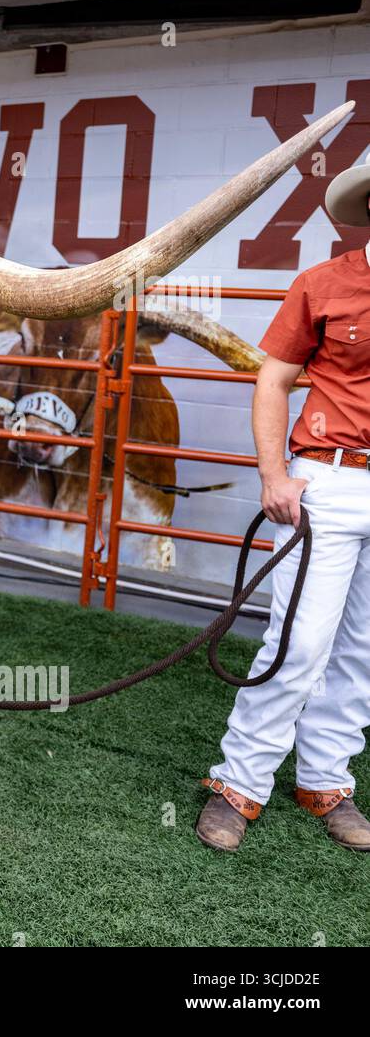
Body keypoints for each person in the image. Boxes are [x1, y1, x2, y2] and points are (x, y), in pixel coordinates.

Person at [196, 155, 370, 853]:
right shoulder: (323, 284)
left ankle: (327, 780)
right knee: (297, 645)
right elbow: (273, 382)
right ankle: (237, 785)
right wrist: (276, 476)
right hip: (326, 479)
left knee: (363, 651)